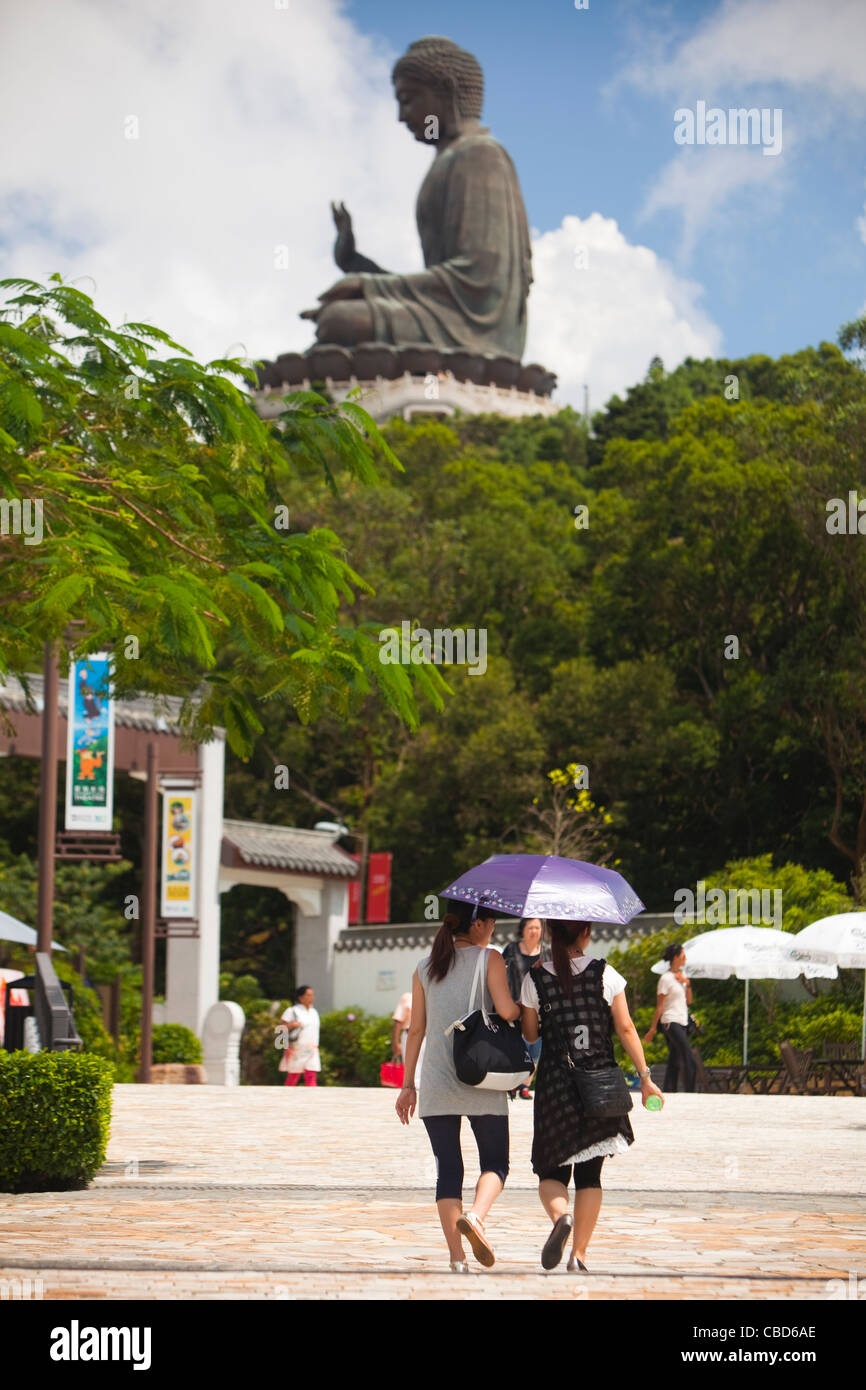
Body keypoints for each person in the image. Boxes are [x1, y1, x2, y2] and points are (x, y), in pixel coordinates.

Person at [521, 921, 663, 1272]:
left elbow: (529, 1033)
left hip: (556, 1087)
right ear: (584, 934)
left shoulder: (535, 979)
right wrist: (645, 1079)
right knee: (590, 1176)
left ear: (551, 935)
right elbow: (626, 1028)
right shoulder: (605, 973)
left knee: (550, 1171)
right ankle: (579, 1255)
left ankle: (560, 1218)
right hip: (598, 1084)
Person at [395, 900, 520, 1272]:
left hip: (435, 1079)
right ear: (478, 923)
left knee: (448, 1171)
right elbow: (508, 1011)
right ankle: (477, 1217)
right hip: (482, 1075)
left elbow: (415, 1030)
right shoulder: (490, 959)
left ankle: (456, 1258)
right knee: (495, 1163)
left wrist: (407, 1085)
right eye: (492, 921)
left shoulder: (424, 967)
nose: (494, 928)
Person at [643, 944, 697, 1093]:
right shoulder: (665, 979)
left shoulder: (682, 977)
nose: (685, 959)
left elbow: (689, 1001)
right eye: (683, 956)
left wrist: (687, 983)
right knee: (688, 1057)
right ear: (675, 958)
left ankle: (669, 1090)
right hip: (670, 1022)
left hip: (682, 1021)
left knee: (675, 1059)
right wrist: (652, 1029)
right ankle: (691, 1092)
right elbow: (659, 1006)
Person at [502, 918, 544, 1099]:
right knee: (516, 1047)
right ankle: (512, 1083)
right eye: (530, 927)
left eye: (537, 927)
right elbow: (500, 974)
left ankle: (526, 1085)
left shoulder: (547, 952)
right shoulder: (511, 950)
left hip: (540, 1009)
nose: (534, 931)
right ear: (523, 930)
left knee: (535, 1050)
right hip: (515, 1007)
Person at [279, 985, 321, 1088]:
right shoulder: (292, 1011)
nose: (312, 998)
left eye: (312, 995)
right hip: (296, 1048)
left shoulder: (314, 1012)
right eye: (308, 995)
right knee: (293, 1075)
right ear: (300, 997)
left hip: (311, 1048)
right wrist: (291, 1025)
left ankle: (311, 1098)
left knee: (311, 1074)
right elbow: (280, 1029)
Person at [392, 991, 413, 1066]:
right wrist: (395, 1043)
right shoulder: (407, 997)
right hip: (410, 1036)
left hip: (429, 1037)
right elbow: (398, 1020)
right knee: (410, 1067)